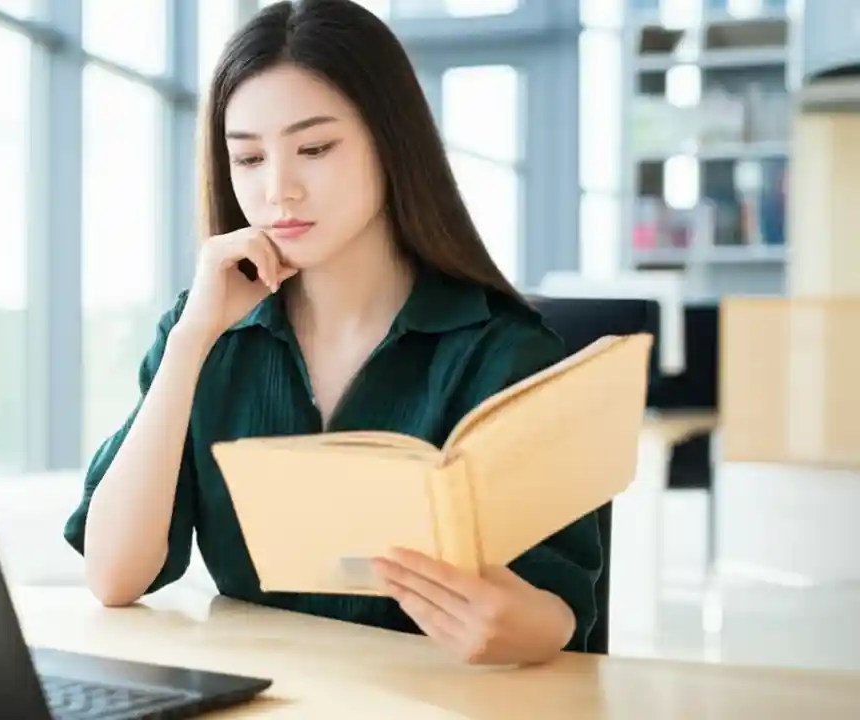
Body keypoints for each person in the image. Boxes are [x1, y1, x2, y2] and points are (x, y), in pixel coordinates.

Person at [63, 0, 600, 666]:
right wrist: (191, 339)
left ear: (390, 143)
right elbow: (115, 576)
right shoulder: (206, 333)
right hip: (264, 697)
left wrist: (522, 624)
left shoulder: (504, 352)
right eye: (248, 158)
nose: (278, 190)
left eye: (314, 149)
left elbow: (559, 609)